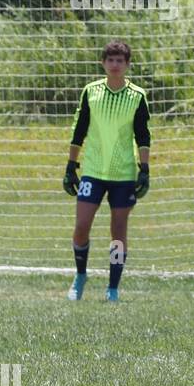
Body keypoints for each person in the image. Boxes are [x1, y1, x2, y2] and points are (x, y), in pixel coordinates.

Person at [63, 40, 150, 303]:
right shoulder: (91, 92)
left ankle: (112, 288)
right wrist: (71, 165)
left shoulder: (137, 96)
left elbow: (143, 135)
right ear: (103, 63)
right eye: (110, 60)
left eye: (119, 61)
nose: (114, 65)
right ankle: (80, 275)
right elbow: (80, 128)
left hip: (123, 174)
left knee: (118, 232)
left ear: (127, 65)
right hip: (93, 170)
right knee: (81, 227)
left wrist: (144, 169)